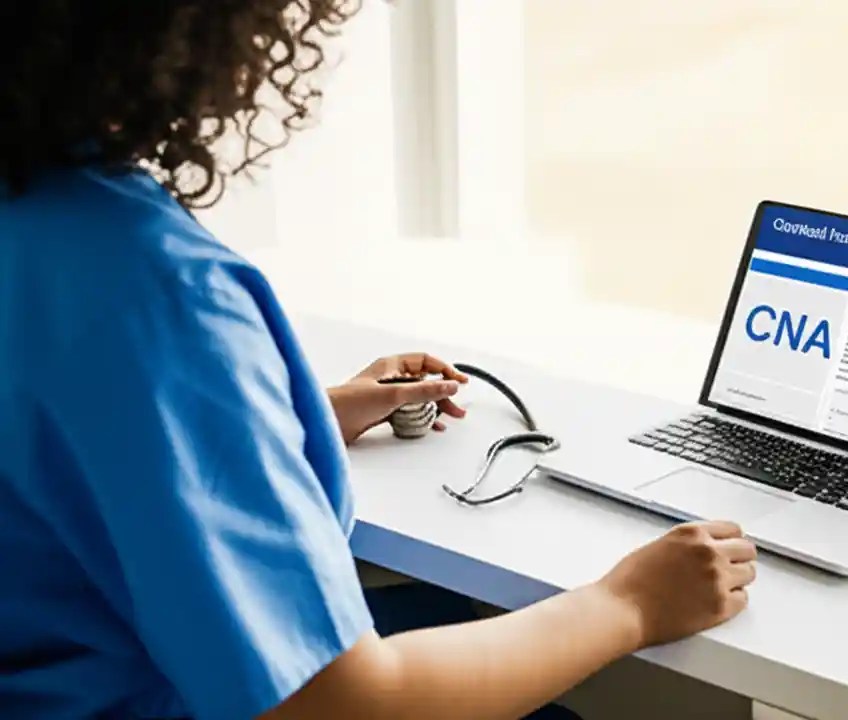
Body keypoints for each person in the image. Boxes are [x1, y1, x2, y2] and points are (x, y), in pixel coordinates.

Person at [0, 3, 757, 719]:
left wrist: (290, 420)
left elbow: (59, 449)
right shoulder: (150, 292)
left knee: (437, 610)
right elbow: (337, 704)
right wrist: (629, 603)